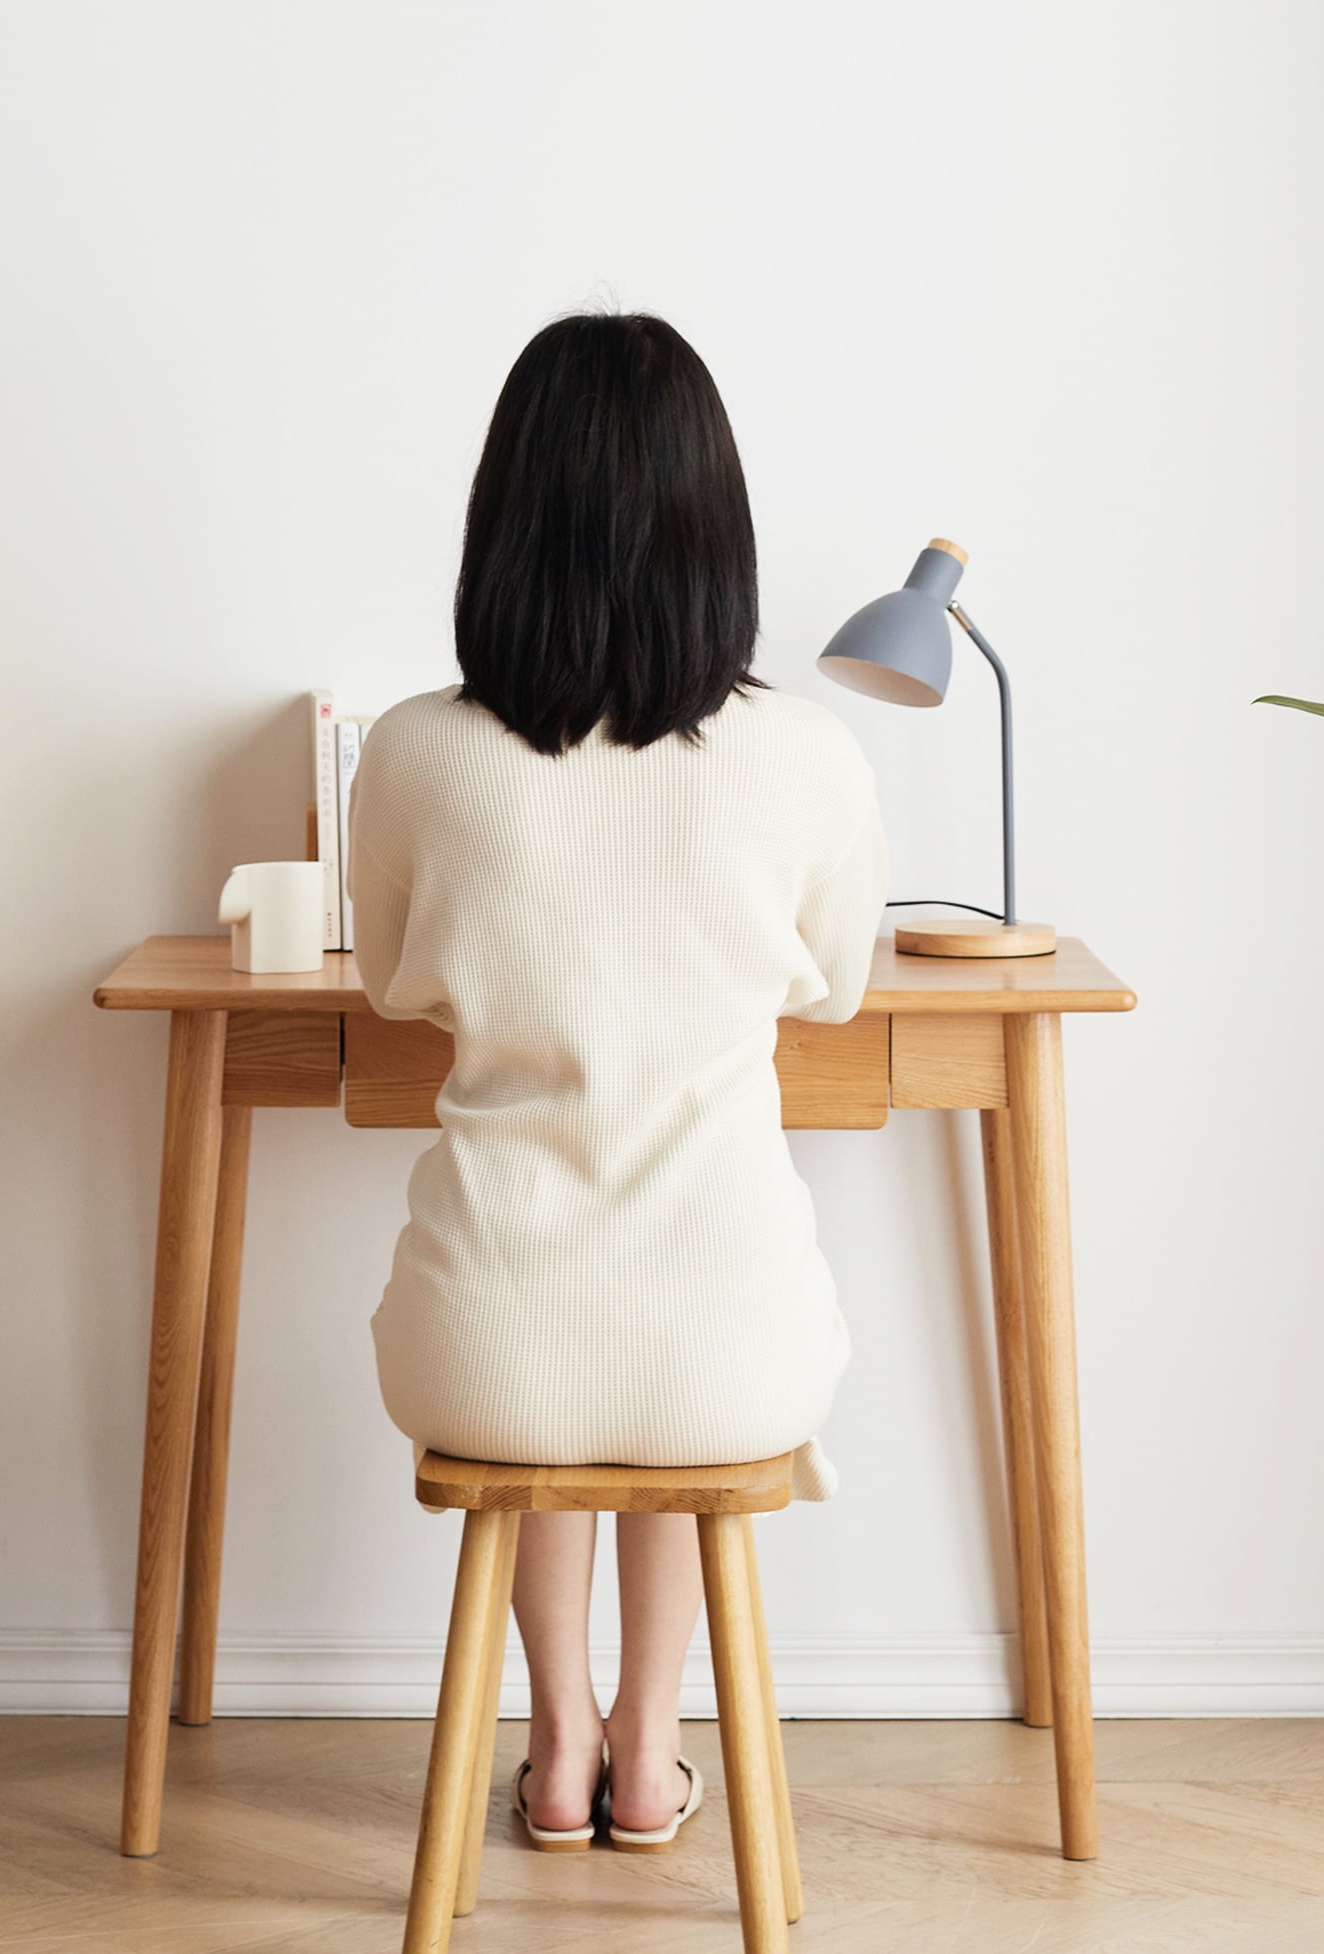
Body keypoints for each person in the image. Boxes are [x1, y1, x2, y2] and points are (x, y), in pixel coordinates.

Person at [349, 311, 888, 1849]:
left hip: (480, 1340)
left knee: (550, 1353)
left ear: (503, 518)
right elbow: (839, 985)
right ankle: (650, 1750)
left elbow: (393, 982)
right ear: (713, 524)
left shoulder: (412, 751)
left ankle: (560, 1728)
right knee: (682, 1362)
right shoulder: (808, 758)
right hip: (738, 1341)